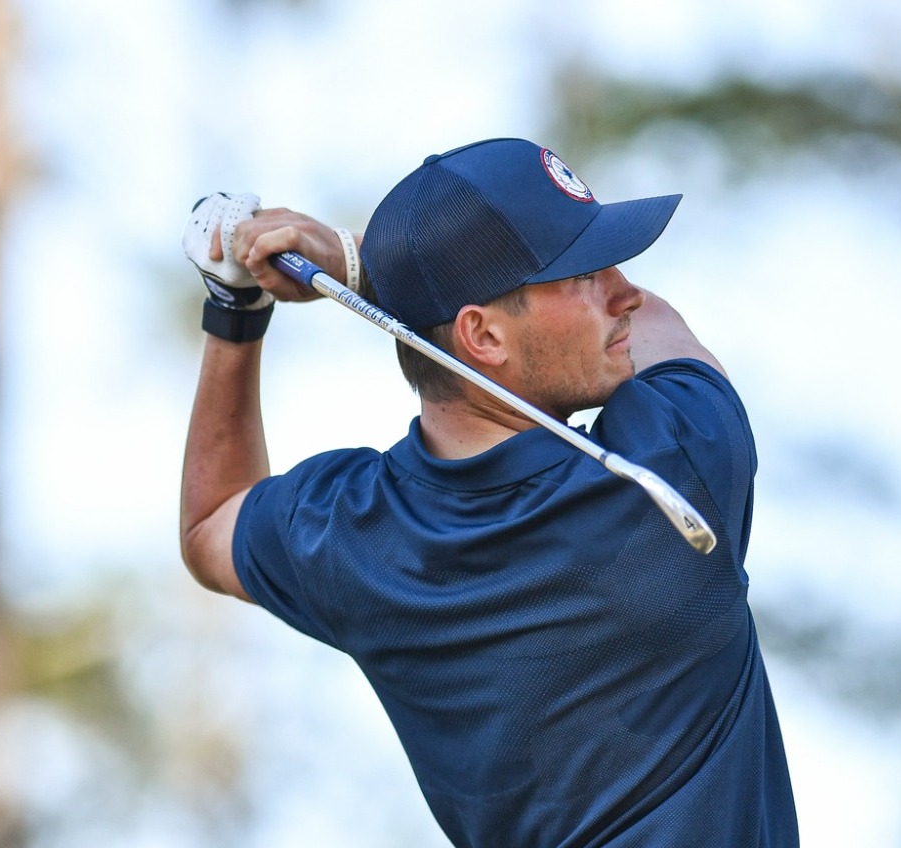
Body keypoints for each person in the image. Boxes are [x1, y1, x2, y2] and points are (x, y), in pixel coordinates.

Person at [178, 137, 798, 846]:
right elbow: (656, 324)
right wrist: (355, 262)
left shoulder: (354, 534)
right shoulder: (677, 462)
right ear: (482, 336)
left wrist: (235, 308)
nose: (623, 291)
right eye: (582, 275)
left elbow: (211, 525)